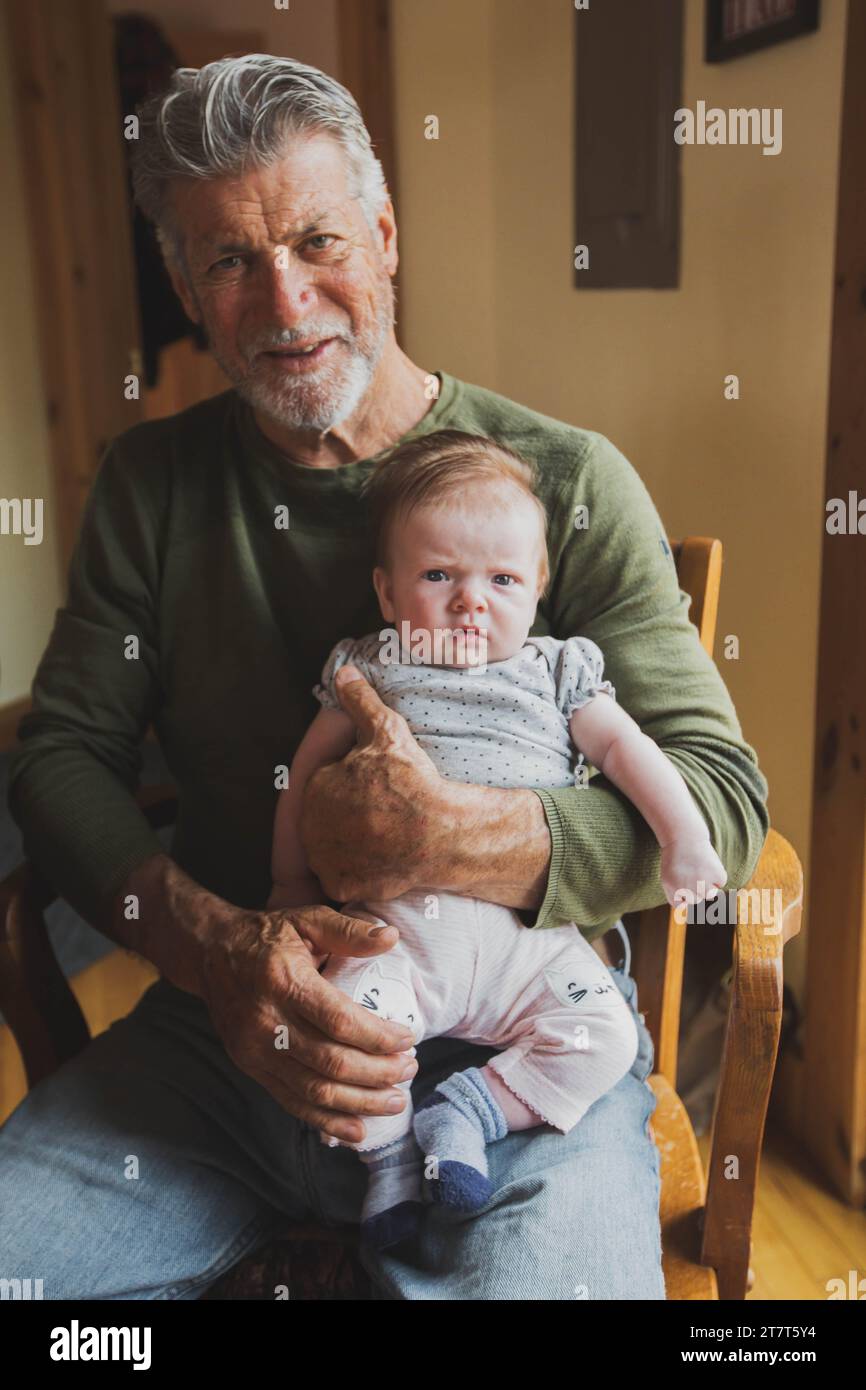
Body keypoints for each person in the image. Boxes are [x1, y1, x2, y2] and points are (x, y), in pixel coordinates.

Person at [1, 54, 768, 1300]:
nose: (286, 302)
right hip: (229, 1037)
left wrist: (465, 839)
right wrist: (214, 947)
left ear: (386, 234)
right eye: (230, 261)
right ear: (185, 284)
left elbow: (720, 801)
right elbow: (61, 754)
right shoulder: (152, 486)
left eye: (316, 241)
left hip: (515, 1056)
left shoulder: (562, 482)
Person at [269, 427, 728, 1252]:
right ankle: (390, 1169)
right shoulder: (371, 667)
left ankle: (472, 1110)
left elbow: (629, 751)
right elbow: (301, 773)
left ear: (540, 586)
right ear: (386, 590)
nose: (470, 600)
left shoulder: (556, 671)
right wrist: (290, 884)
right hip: (400, 941)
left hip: (535, 948)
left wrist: (683, 836)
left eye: (503, 578)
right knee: (347, 1031)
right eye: (438, 574)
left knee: (605, 1036)